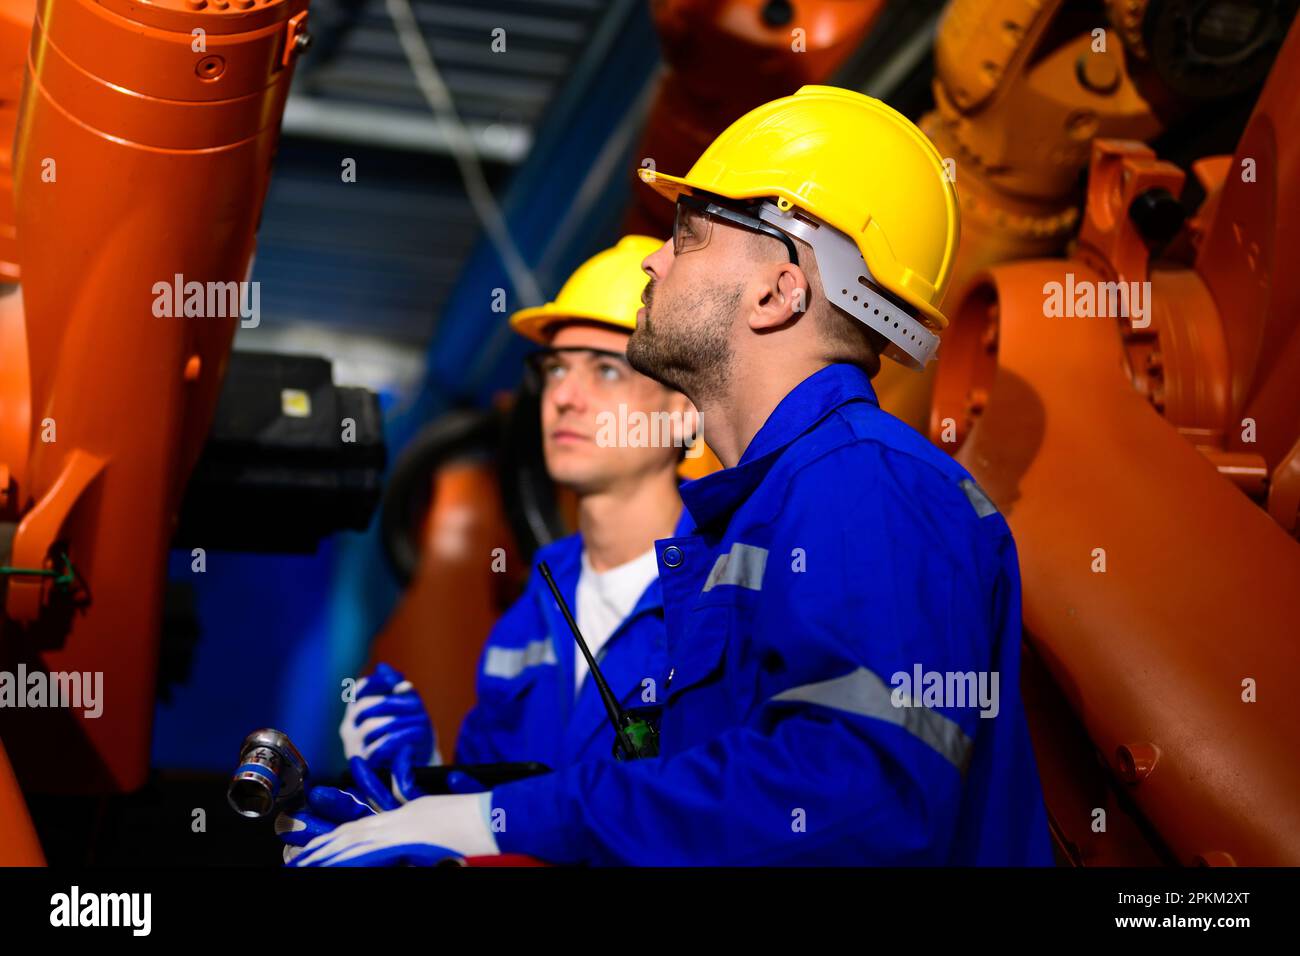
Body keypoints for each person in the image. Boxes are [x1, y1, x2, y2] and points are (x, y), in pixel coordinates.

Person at [280, 86, 1052, 866]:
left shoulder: (866, 489)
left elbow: (849, 797)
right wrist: (430, 806)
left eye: (689, 230)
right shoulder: (752, 520)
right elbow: (664, 802)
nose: (652, 253)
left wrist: (493, 822)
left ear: (778, 291)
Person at [278, 237, 698, 862]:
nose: (564, 397)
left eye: (606, 369)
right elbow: (492, 807)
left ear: (686, 413)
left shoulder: (728, 588)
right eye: (555, 368)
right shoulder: (534, 606)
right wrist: (424, 770)